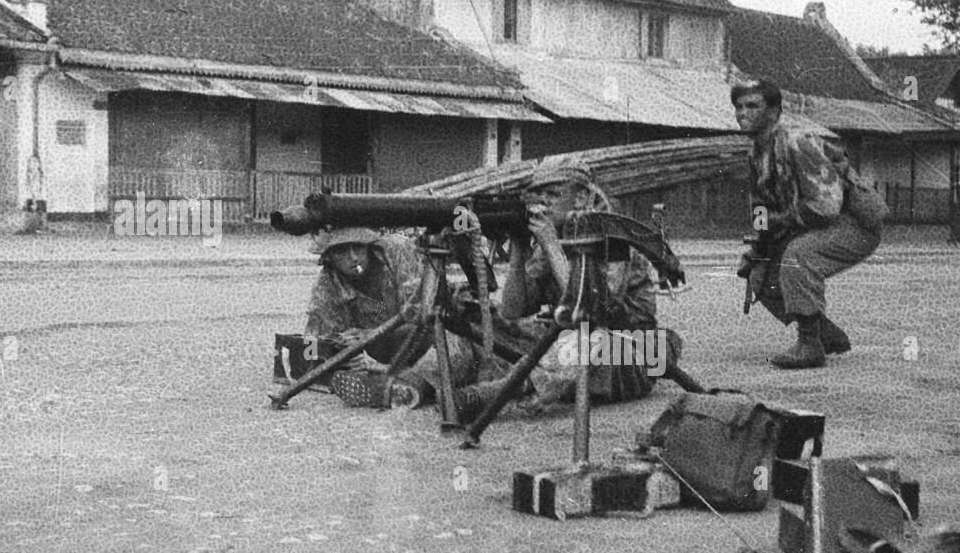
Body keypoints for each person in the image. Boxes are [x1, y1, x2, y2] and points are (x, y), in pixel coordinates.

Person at [388, 159, 681, 419]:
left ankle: (492, 395)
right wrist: (518, 251)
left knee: (580, 342)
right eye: (537, 195)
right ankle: (415, 384)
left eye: (552, 195)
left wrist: (551, 245)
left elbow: (593, 314)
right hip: (571, 347)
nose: (541, 203)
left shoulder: (612, 240)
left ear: (580, 198)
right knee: (473, 319)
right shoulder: (551, 237)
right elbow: (513, 310)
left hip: (632, 352)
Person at [733, 77, 880, 369]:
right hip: (812, 224)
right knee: (758, 275)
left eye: (752, 105)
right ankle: (826, 334)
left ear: (774, 111)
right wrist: (759, 246)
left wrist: (781, 224)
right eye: (738, 106)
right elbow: (760, 209)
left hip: (852, 223)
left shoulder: (797, 142)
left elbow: (826, 206)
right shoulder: (756, 154)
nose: (742, 112)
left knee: (797, 258)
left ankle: (809, 344)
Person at [303, 230, 432, 407]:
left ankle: (399, 385)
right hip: (388, 349)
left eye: (358, 247)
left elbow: (425, 317)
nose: (354, 258)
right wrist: (342, 348)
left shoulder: (398, 250)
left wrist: (372, 336)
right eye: (342, 252)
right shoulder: (327, 284)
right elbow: (312, 344)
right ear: (329, 258)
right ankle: (396, 387)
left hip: (431, 337)